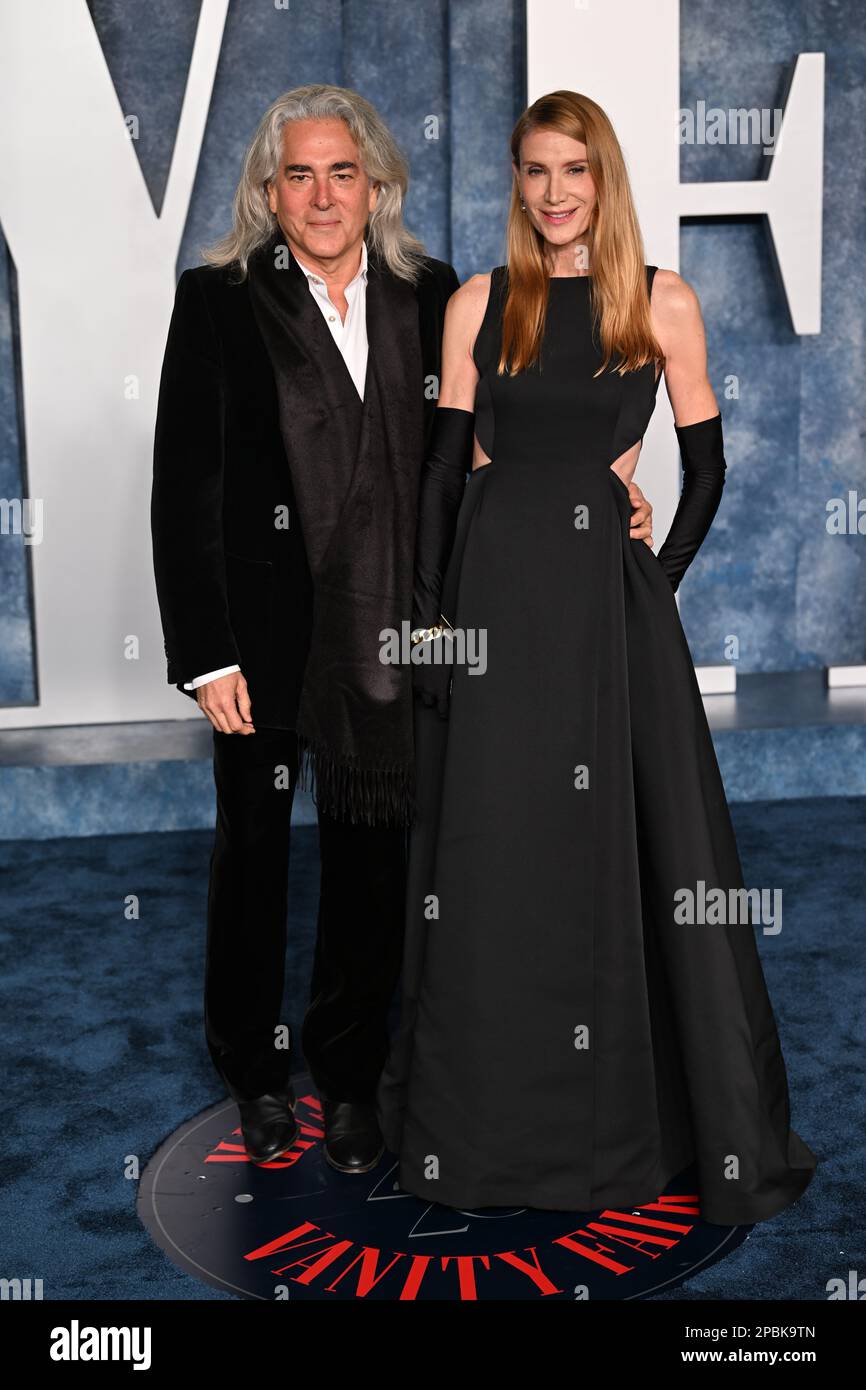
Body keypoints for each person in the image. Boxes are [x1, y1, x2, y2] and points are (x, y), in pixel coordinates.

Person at [150, 82, 660, 1171]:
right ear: (269, 190)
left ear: (377, 182)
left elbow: (484, 443)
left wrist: (608, 485)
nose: (322, 195)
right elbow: (182, 486)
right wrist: (204, 653)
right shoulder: (220, 299)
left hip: (398, 629)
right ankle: (251, 1069)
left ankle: (344, 1077)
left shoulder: (433, 292)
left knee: (374, 859)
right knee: (251, 855)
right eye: (299, 174)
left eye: (343, 172)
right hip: (261, 640)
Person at [376, 90, 818, 1225]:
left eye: (573, 169)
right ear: (516, 183)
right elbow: (440, 472)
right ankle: (485, 1128)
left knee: (626, 852)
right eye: (534, 171)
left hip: (600, 609)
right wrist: (431, 621)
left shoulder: (661, 302)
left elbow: (707, 464)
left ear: (603, 178)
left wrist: (650, 578)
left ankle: (642, 1120)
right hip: (492, 600)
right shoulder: (480, 301)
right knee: (493, 853)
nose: (555, 192)